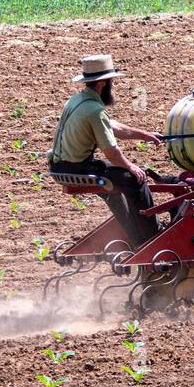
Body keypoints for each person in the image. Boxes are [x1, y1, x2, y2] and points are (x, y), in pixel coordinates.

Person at [48, 54, 164, 246]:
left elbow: (113, 127)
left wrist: (146, 135)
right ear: (102, 83)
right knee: (136, 179)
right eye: (111, 82)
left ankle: (136, 237)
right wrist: (132, 167)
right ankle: (153, 237)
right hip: (79, 169)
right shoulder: (95, 110)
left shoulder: (78, 100)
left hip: (60, 166)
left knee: (115, 186)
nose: (112, 86)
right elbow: (112, 152)